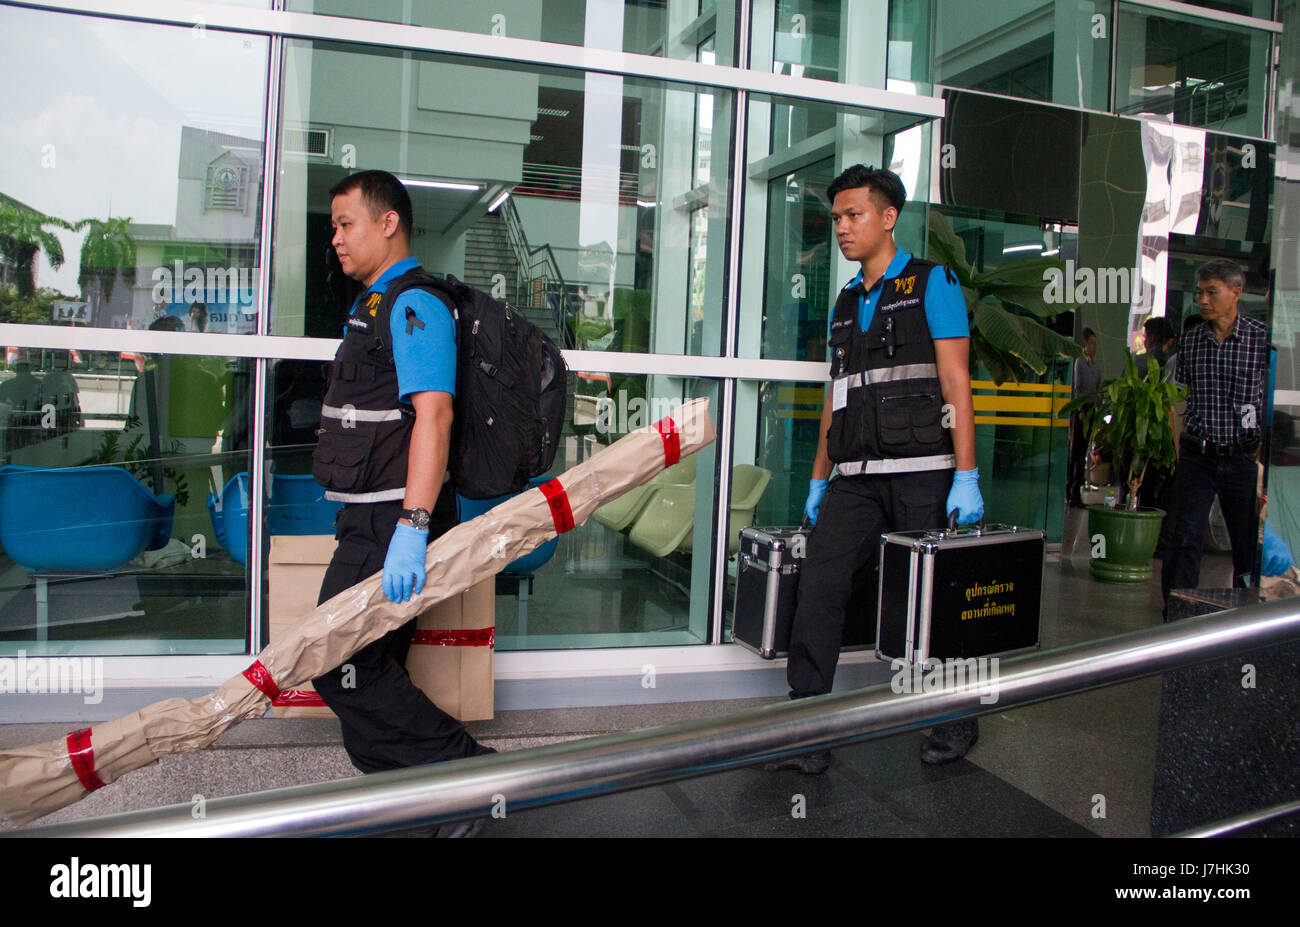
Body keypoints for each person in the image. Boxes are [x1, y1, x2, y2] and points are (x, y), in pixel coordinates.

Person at [766, 165, 984, 773]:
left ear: (888, 217)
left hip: (924, 472)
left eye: (853, 214)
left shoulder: (932, 282)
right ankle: (805, 731)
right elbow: (836, 398)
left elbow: (955, 383)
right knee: (820, 587)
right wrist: (817, 477)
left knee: (928, 603)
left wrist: (966, 476)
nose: (841, 227)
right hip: (854, 478)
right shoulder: (843, 303)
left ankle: (952, 720)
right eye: (836, 217)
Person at [310, 170, 493, 832]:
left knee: (335, 660)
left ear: (388, 223)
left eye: (346, 223)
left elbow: (434, 417)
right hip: (372, 516)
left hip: (394, 519)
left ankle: (469, 775)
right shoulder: (377, 304)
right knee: (373, 664)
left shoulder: (415, 304)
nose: (335, 238)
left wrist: (413, 527)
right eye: (333, 226)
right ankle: (433, 801)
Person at [1161, 259, 1290, 611]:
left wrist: (1263, 457)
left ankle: (1246, 617)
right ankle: (1176, 616)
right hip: (1197, 457)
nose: (1202, 299)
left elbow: (1273, 401)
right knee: (1185, 538)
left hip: (1243, 459)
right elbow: (1179, 401)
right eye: (1199, 292)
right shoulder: (1190, 343)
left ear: (1236, 292)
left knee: (1247, 544)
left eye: (1211, 292)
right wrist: (1180, 448)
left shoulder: (1262, 341)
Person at [1067, 328, 1101, 507]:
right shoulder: (1079, 363)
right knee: (1075, 452)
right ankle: (1070, 490)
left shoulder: (1096, 367)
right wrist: (1080, 409)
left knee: (1083, 453)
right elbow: (1078, 387)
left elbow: (1097, 389)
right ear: (1085, 344)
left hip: (1091, 411)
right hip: (1080, 410)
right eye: (1092, 343)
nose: (1094, 347)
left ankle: (1076, 491)